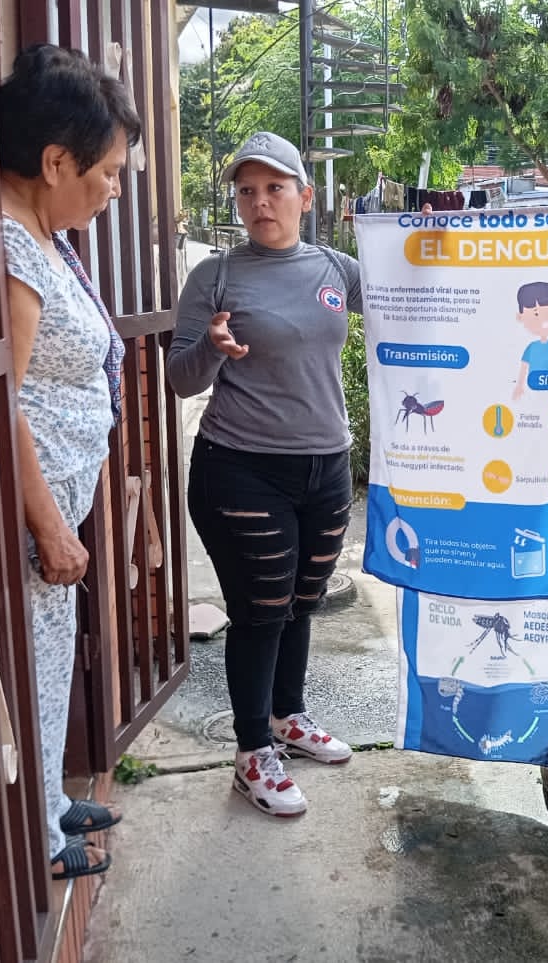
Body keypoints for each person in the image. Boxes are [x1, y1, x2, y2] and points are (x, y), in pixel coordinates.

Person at [168, 131, 360, 818]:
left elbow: (413, 295)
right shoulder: (214, 277)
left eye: (274, 188)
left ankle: (288, 715)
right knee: (260, 612)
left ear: (305, 197)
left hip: (327, 466)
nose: (259, 201)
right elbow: (177, 379)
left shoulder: (337, 269)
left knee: (301, 603)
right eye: (246, 190)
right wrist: (213, 349)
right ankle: (252, 753)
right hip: (239, 471)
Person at [0, 44, 141, 880]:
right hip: (29, 519)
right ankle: (37, 838)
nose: (115, 189)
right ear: (56, 162)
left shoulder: (39, 233)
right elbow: (0, 402)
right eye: (109, 172)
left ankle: (49, 799)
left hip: (52, 507)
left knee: (51, 660)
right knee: (33, 667)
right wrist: (51, 525)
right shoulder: (12, 250)